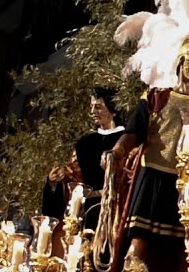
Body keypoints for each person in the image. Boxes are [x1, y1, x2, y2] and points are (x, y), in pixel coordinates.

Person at [106, 36, 189, 272]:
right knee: (140, 239)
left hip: (188, 185)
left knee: (185, 245)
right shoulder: (157, 97)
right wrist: (118, 150)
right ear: (183, 62)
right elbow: (134, 131)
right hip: (153, 176)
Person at [43, 89, 127, 262]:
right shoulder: (84, 144)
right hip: (89, 211)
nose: (92, 112)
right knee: (84, 257)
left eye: (98, 107)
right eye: (91, 107)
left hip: (119, 208)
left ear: (113, 109)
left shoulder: (126, 140)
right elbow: (73, 180)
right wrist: (54, 181)